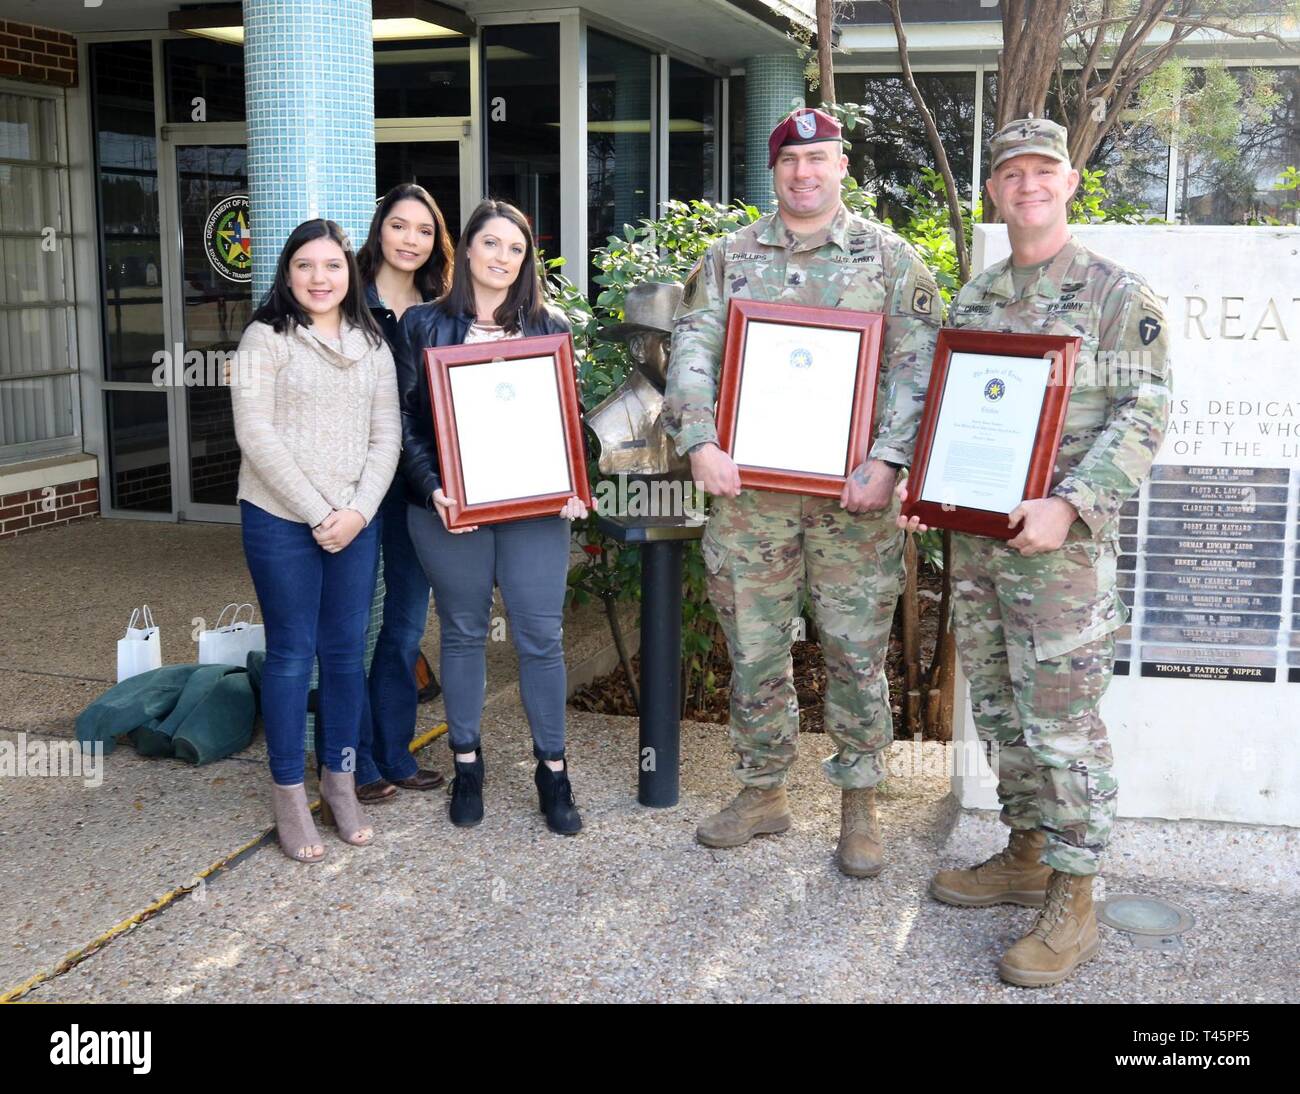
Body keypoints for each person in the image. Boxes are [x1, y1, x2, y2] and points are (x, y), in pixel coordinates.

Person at [897, 117, 1171, 987]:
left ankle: (1077, 897)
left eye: (1043, 171)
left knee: (1064, 727)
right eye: (1012, 173)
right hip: (980, 550)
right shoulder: (976, 297)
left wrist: (1070, 503)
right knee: (1005, 713)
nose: (1028, 185)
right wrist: (924, 487)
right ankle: (1026, 854)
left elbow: (1145, 414)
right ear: (994, 192)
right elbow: (951, 402)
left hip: (1060, 558)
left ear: (1069, 183)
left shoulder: (1116, 294)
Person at [664, 108, 942, 876]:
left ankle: (860, 802)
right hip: (749, 497)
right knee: (754, 650)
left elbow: (919, 369)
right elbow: (693, 347)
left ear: (842, 165)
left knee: (854, 652)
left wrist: (888, 461)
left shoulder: (889, 261)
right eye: (791, 160)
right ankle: (762, 791)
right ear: (774, 169)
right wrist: (700, 440)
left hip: (856, 499)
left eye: (819, 158)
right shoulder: (728, 258)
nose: (804, 173)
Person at [394, 198, 589, 835]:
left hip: (535, 509)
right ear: (467, 250)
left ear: (525, 258)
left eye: (515, 248)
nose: (502, 258)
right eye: (490, 244)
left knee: (540, 636)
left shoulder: (549, 325)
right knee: (463, 632)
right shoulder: (423, 325)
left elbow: (567, 421)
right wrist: (432, 490)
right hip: (453, 509)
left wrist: (571, 481)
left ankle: (552, 770)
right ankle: (468, 762)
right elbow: (405, 425)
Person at [232, 219, 401, 862]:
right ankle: (286, 794)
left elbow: (386, 437)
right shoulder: (262, 339)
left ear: (350, 273)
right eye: (305, 265)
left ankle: (339, 780)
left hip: (356, 522)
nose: (319, 278)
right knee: (290, 655)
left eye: (332, 265)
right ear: (287, 272)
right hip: (279, 519)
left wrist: (356, 512)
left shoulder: (373, 345)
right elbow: (256, 434)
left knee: (343, 654)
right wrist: (316, 511)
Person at [345, 183, 455, 804]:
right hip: (354, 483)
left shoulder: (439, 309)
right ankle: (352, 761)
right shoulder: (346, 299)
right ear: (379, 230)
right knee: (353, 628)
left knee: (406, 628)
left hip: (415, 486)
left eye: (422, 230)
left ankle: (395, 753)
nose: (410, 240)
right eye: (398, 226)